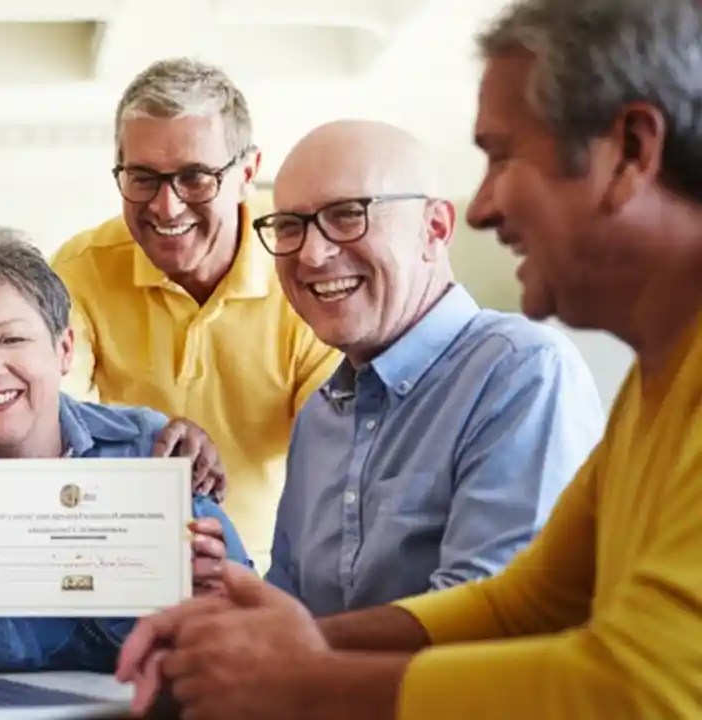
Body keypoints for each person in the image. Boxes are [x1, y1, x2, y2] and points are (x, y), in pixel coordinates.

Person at [114, 0, 702, 717]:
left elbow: (646, 690)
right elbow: (523, 604)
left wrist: (302, 678)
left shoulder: (526, 371)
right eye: (292, 225)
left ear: (633, 151)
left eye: (502, 156)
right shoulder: (654, 389)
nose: (482, 206)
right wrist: (263, 647)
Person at [258, 119, 604, 615]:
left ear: (435, 228)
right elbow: (288, 604)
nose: (313, 254)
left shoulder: (522, 374)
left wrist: (288, 651)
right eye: (290, 226)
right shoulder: (320, 416)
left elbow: (491, 622)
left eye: (347, 215)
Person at [0, 227, 250, 673]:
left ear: (64, 349)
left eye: (13, 339)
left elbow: (255, 617)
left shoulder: (149, 445)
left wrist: (218, 596)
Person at [50, 58, 340, 570]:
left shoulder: (307, 270)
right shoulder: (80, 270)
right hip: (128, 556)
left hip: (270, 567)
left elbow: (335, 462)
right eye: (143, 178)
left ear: (247, 173)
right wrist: (147, 434)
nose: (166, 206)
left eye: (195, 178)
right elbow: (49, 419)